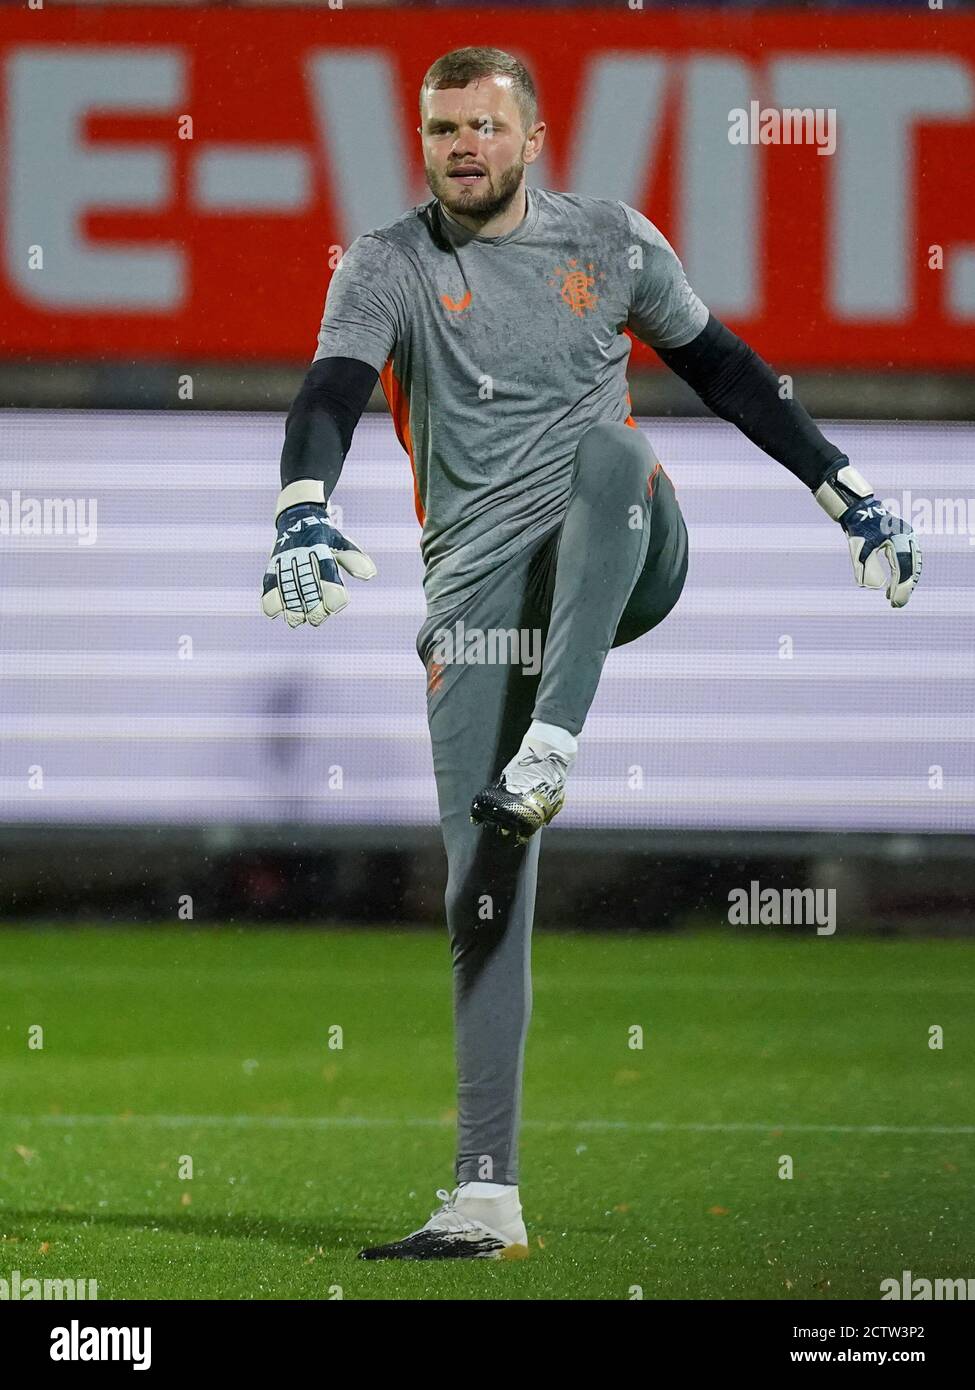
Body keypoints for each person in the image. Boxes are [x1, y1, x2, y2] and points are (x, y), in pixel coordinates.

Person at [262, 46, 921, 1260]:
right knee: (483, 894)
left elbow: (726, 370)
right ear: (425, 139)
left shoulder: (611, 242)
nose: (464, 145)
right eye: (444, 126)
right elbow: (330, 391)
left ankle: (553, 741)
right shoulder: (386, 262)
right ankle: (485, 1197)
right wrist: (304, 497)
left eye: (485, 126)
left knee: (615, 451)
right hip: (478, 598)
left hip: (626, 552)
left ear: (533, 136)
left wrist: (847, 488)